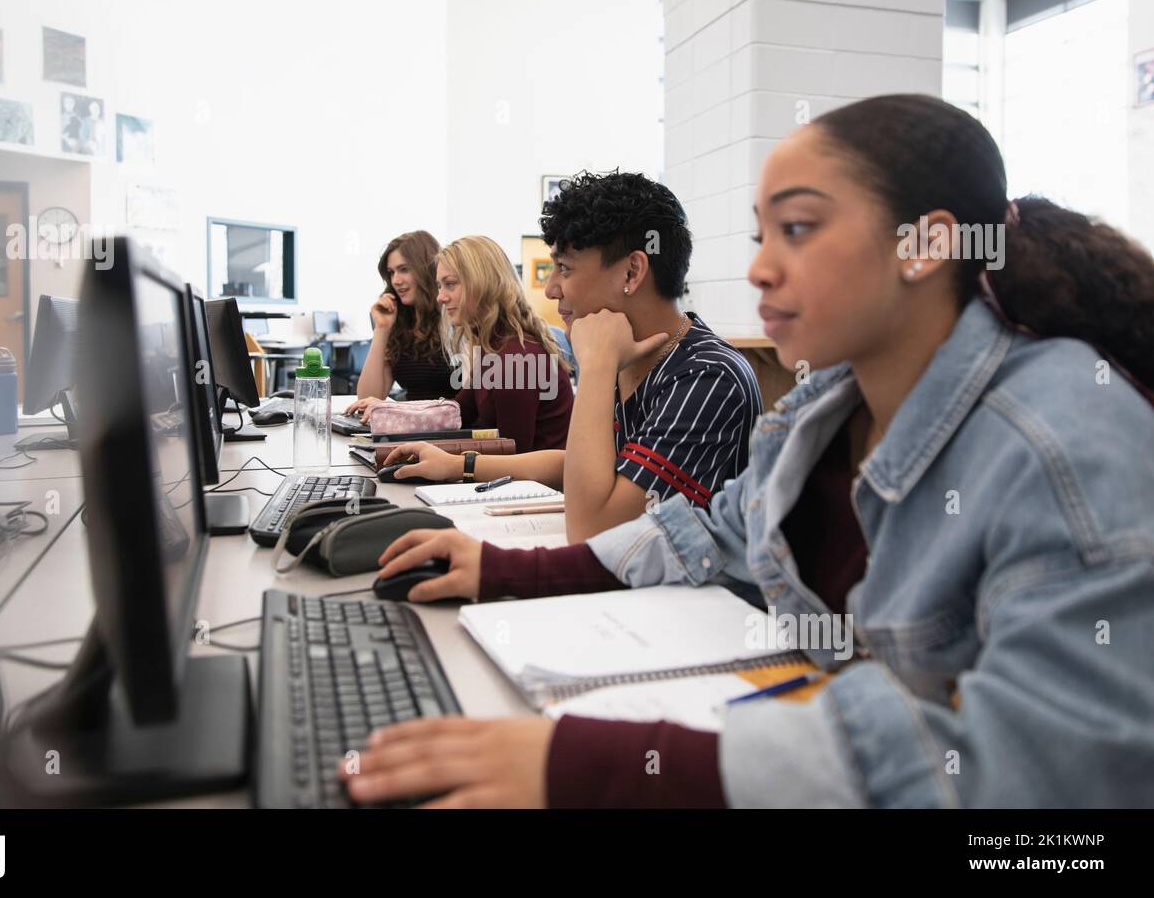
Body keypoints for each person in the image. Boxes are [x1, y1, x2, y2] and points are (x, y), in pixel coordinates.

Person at [345, 95, 1154, 808]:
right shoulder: (828, 400)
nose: (760, 269)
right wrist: (503, 570)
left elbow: (1032, 778)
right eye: (763, 235)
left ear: (925, 246)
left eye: (798, 230)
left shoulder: (1063, 441)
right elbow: (705, 529)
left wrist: (586, 767)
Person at [381, 171, 761, 544]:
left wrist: (596, 367)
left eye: (564, 268)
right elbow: (579, 463)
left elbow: (592, 533)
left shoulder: (708, 376)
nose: (550, 289)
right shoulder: (630, 357)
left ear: (631, 272)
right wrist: (458, 465)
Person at [432, 235, 573, 451]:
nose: (440, 297)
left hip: (534, 473)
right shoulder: (494, 345)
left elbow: (513, 455)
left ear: (483, 284)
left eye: (450, 285)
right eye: (440, 286)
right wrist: (389, 413)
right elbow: (457, 414)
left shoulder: (516, 358)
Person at [348, 230, 457, 409]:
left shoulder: (454, 316)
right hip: (411, 421)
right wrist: (381, 330)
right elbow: (367, 399)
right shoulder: (401, 323)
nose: (396, 281)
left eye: (404, 269)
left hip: (451, 423)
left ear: (426, 270)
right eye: (391, 273)